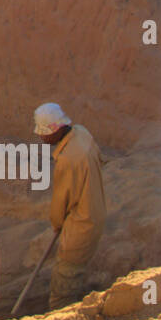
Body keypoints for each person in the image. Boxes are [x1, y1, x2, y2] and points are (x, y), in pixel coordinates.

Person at [34, 102, 106, 308]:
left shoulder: (68, 159)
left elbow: (61, 204)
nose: (41, 137)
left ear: (55, 130)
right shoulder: (81, 133)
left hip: (82, 224)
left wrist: (57, 223)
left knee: (64, 285)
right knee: (75, 275)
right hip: (96, 211)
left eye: (43, 133)